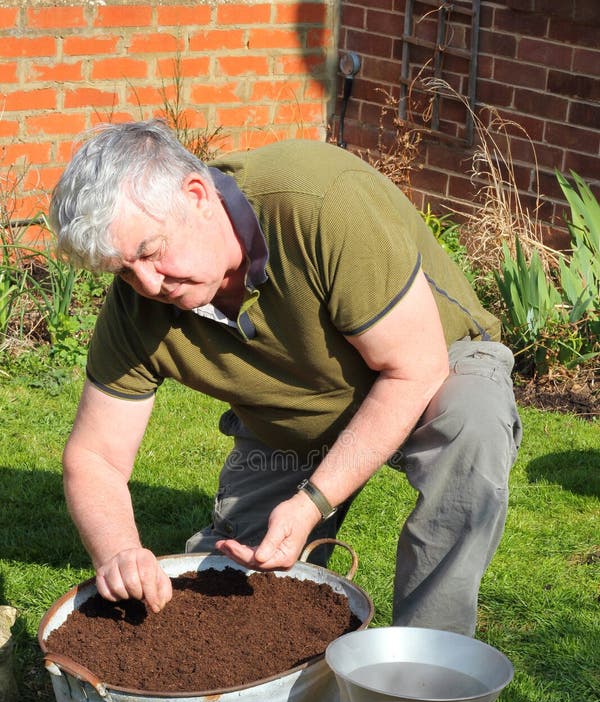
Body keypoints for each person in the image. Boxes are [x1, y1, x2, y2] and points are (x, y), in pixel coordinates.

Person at [49, 119, 522, 635]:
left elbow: (415, 369)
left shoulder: (319, 203)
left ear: (196, 194)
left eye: (149, 251)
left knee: (472, 426)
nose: (147, 284)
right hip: (292, 420)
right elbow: (95, 456)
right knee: (231, 585)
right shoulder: (138, 305)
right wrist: (119, 550)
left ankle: (426, 669)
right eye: (123, 271)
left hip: (435, 365)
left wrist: (311, 503)